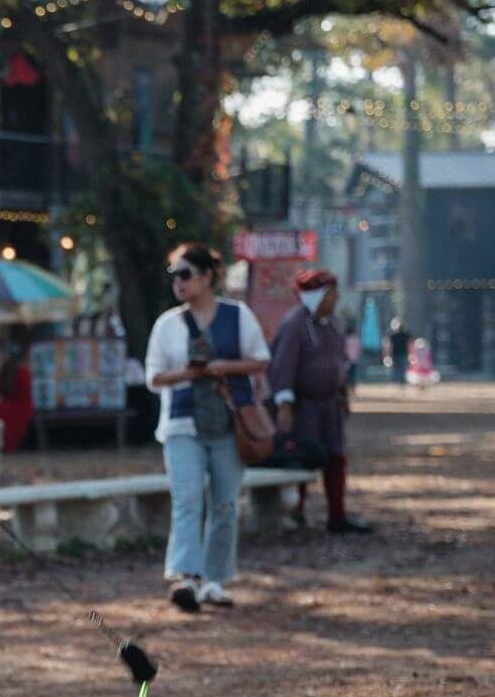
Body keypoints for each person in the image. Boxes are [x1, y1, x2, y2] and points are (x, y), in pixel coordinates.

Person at [144, 241, 271, 612]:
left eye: (185, 275)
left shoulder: (238, 315)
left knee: (225, 503)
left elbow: (260, 359)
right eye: (174, 276)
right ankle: (185, 576)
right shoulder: (167, 325)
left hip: (231, 421)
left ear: (207, 277)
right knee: (186, 498)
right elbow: (154, 377)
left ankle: (214, 578)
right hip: (183, 421)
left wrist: (220, 368)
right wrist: (188, 373)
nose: (179, 283)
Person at [269, 268, 371, 535]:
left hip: (330, 404)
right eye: (331, 293)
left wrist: (343, 393)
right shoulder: (294, 324)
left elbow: (340, 362)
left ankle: (337, 516)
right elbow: (282, 365)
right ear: (318, 295)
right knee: (301, 457)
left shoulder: (334, 324)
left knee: (336, 458)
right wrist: (284, 404)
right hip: (304, 406)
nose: (336, 298)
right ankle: (295, 514)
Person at [385, 318, 412, 387]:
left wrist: (388, 355)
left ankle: (396, 383)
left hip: (396, 355)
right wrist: (410, 354)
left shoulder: (393, 336)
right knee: (402, 370)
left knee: (396, 370)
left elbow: (390, 347)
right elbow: (409, 345)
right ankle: (401, 383)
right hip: (403, 354)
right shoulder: (406, 335)